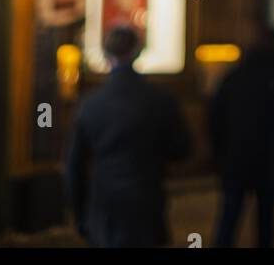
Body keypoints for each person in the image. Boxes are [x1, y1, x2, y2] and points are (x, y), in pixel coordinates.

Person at [65, 23, 191, 248]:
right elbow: (182, 149)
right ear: (139, 52)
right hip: (146, 200)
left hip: (105, 206)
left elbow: (74, 165)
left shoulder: (90, 104)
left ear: (105, 54)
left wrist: (80, 215)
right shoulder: (160, 100)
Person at [210, 27, 274, 248]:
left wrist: (219, 154)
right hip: (268, 163)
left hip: (236, 160)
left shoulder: (234, 78)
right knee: (266, 224)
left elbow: (215, 119)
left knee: (229, 218)